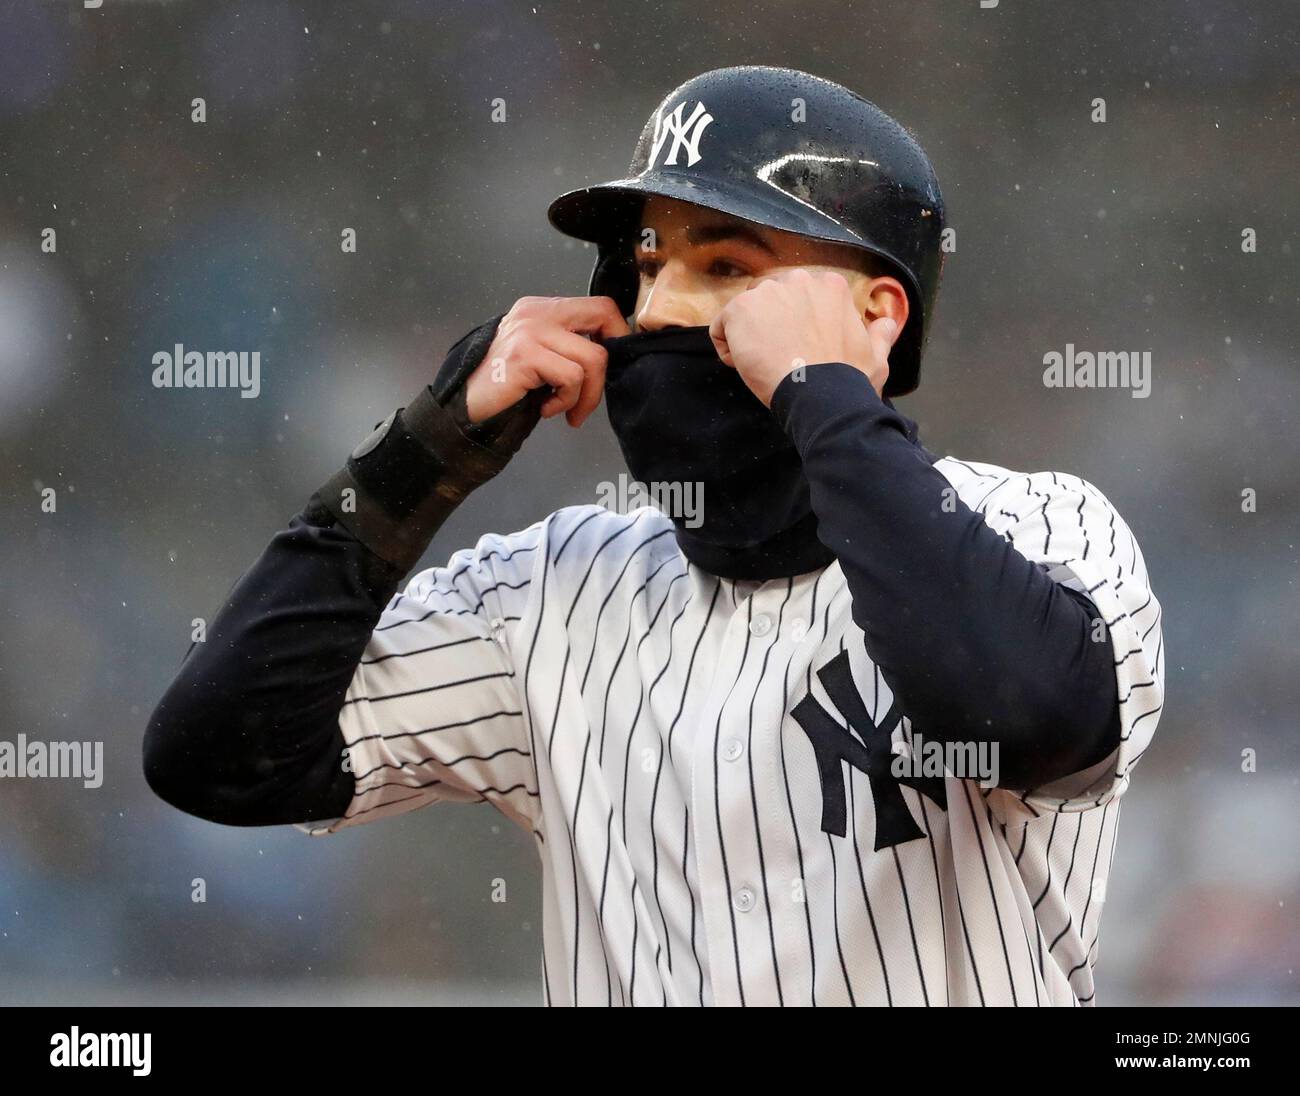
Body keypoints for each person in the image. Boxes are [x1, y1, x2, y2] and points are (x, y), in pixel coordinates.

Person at [143, 66, 1164, 1006]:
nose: (658, 308)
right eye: (641, 263)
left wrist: (825, 392)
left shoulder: (1042, 525)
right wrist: (425, 452)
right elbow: (219, 752)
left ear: (876, 312)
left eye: (725, 263)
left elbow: (1029, 712)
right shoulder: (552, 585)